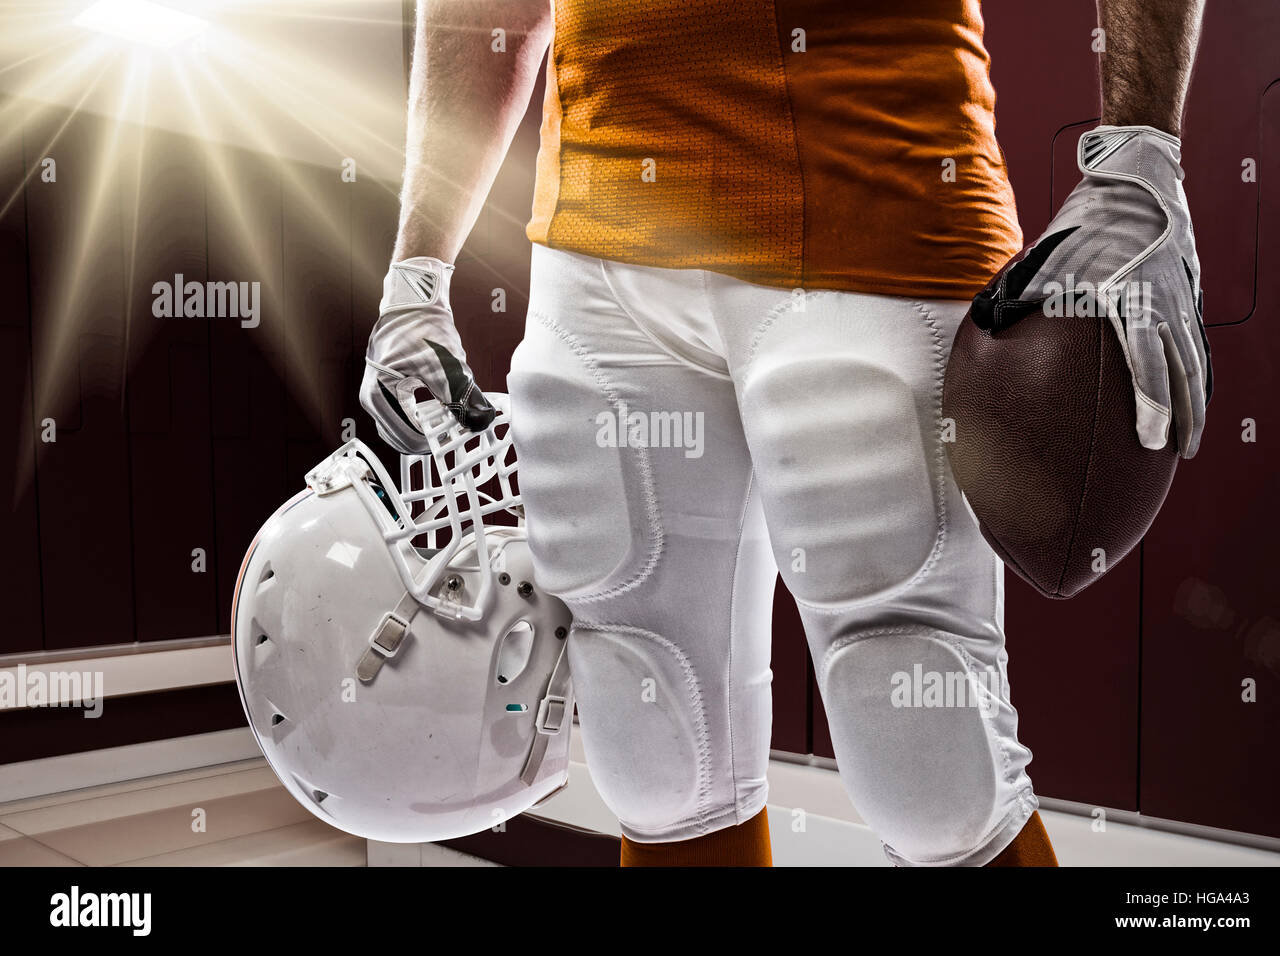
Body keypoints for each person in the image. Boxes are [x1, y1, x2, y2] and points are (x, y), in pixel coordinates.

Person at [361, 0, 1209, 866]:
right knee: (656, 759)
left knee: (931, 773)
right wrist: (418, 267)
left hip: (873, 211)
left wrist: (1142, 147)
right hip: (598, 245)